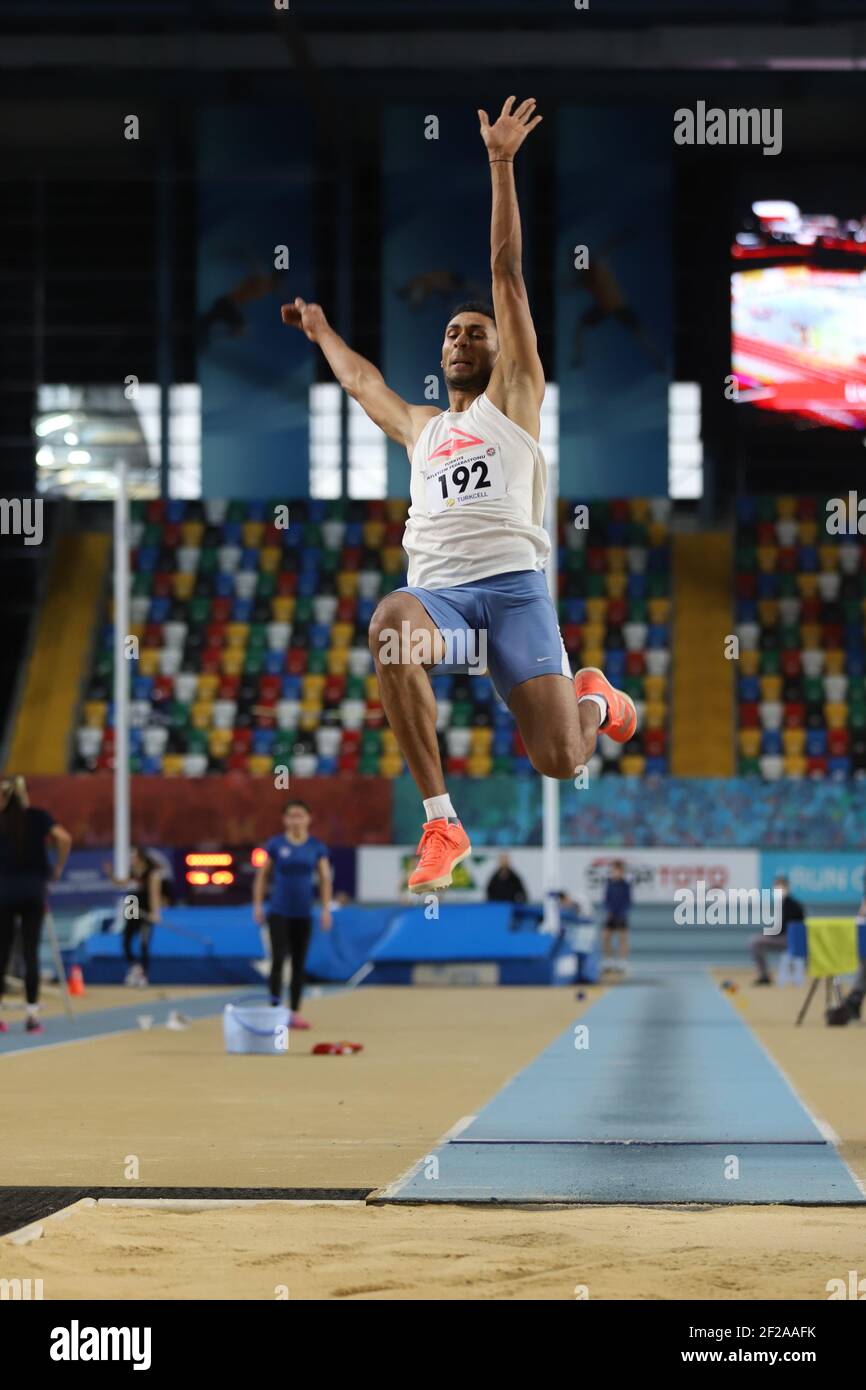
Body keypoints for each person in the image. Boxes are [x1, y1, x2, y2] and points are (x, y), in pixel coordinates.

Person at [281, 95, 636, 897]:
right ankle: (441, 820)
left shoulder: (516, 398)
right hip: (440, 600)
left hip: (513, 595)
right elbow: (362, 381)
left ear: (501, 348)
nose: (463, 337)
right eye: (452, 333)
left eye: (476, 330)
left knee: (561, 761)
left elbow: (506, 271)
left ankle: (594, 697)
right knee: (387, 628)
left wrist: (501, 164)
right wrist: (321, 331)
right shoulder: (423, 428)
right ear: (440, 355)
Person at [0, 776, 72, 1034]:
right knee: (31, 952)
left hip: (5, 893)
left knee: (2, 953)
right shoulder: (39, 816)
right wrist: (59, 867)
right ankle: (32, 1017)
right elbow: (64, 839)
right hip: (33, 892)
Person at [252, 800, 332, 1029]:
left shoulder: (316, 847)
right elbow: (261, 876)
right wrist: (257, 905)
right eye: (291, 816)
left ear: (308, 818)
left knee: (299, 964)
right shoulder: (276, 845)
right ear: (285, 820)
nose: (296, 820)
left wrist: (326, 909)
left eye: (300, 816)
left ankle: (294, 1011)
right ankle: (275, 1010)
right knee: (278, 961)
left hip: (303, 913)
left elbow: (325, 878)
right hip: (279, 912)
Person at [106, 847, 165, 987]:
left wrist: (156, 913)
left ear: (140, 858)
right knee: (126, 942)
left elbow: (154, 894)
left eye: (133, 857)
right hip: (132, 910)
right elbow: (120, 883)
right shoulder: (133, 872)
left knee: (144, 944)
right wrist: (110, 873)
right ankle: (135, 968)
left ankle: (144, 975)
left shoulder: (152, 874)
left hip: (146, 913)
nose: (130, 860)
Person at [751, 874, 805, 986]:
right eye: (776, 886)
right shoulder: (781, 904)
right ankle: (764, 975)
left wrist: (771, 933)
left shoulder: (793, 905)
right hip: (782, 937)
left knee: (755, 942)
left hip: (788, 940)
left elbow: (787, 928)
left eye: (779, 886)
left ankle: (764, 975)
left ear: (786, 887)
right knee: (756, 941)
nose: (777, 889)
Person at [602, 859, 631, 973]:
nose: (615, 873)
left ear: (622, 872)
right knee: (605, 937)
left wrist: (622, 913)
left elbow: (628, 901)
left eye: (617, 871)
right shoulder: (609, 884)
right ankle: (609, 961)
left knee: (623, 938)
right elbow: (606, 899)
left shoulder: (625, 885)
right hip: (610, 915)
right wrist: (609, 911)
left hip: (621, 915)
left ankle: (622, 962)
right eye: (613, 870)